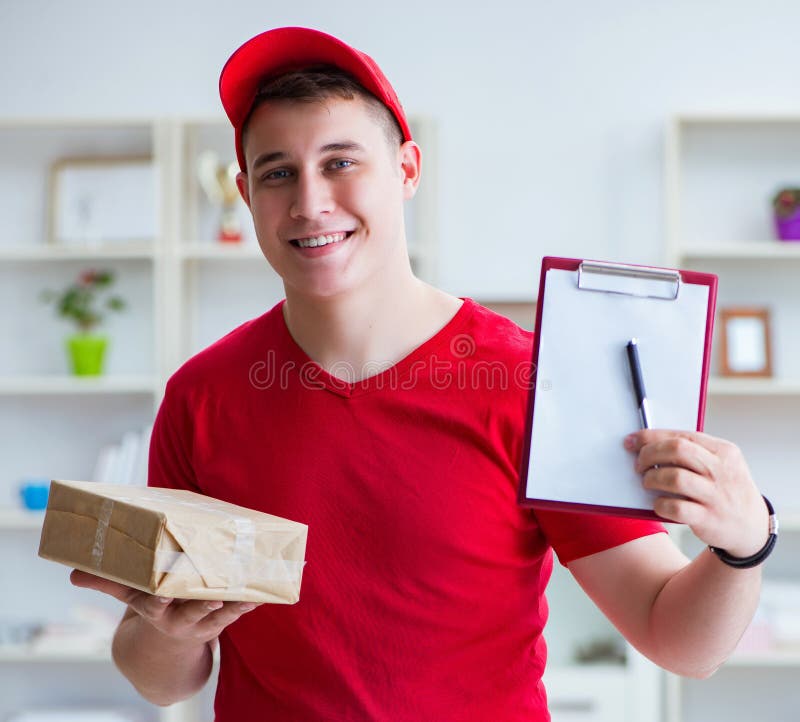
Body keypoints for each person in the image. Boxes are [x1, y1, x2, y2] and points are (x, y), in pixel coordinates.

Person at [71, 26, 777, 722]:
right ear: (246, 193)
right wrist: (166, 629)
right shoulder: (202, 395)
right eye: (277, 171)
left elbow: (676, 636)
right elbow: (162, 681)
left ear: (407, 169)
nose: (310, 201)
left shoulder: (530, 379)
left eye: (341, 162)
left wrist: (745, 544)